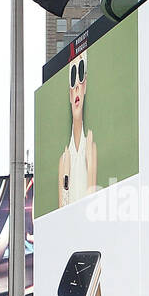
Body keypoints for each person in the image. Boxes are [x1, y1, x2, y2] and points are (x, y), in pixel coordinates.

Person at [57, 49, 98, 207]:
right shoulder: (64, 160)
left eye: (80, 73)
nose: (76, 88)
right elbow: (61, 214)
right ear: (69, 94)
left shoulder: (90, 150)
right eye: (72, 77)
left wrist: (89, 163)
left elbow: (92, 206)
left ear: (85, 85)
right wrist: (66, 177)